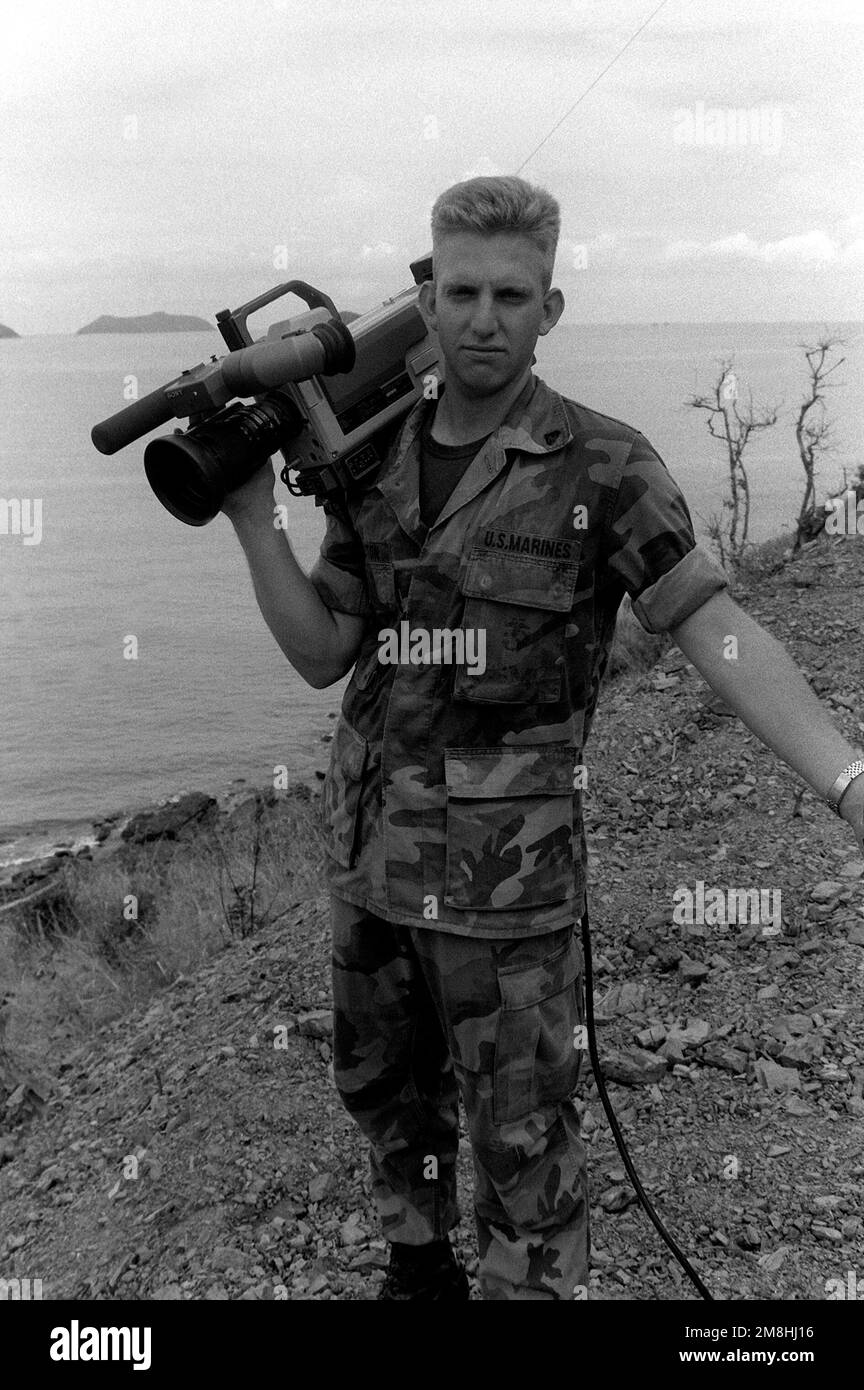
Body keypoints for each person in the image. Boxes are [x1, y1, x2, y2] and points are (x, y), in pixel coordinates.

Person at [222, 175, 864, 1300]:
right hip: (370, 866)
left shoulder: (603, 468)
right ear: (428, 302)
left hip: (504, 895)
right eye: (461, 291)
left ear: (549, 309)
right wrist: (249, 522)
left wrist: (847, 779)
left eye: (510, 295)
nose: (482, 318)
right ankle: (416, 1264)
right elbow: (326, 648)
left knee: (521, 1137)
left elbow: (713, 628)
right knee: (382, 1089)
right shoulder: (371, 462)